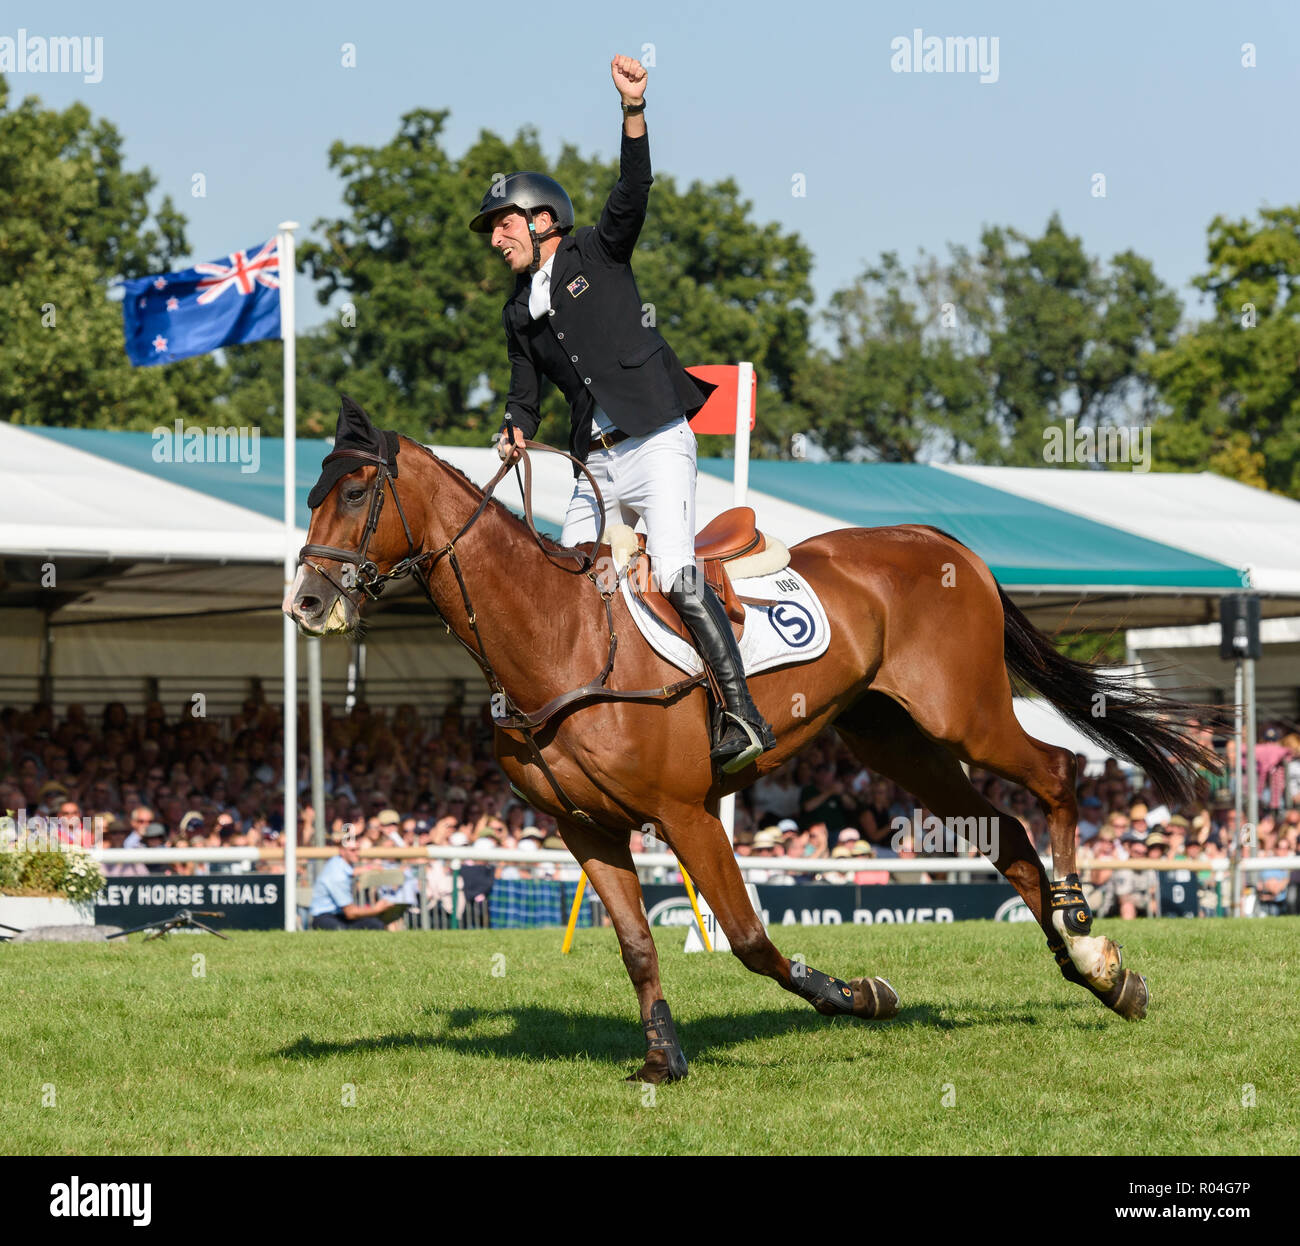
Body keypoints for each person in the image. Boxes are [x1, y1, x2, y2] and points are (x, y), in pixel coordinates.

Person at [471, 53, 775, 775]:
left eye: (503, 223)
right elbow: (525, 392)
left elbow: (633, 187)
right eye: (491, 229)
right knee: (565, 576)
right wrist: (516, 427)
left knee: (671, 568)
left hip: (655, 441)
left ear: (544, 220)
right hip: (594, 465)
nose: (494, 237)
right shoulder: (517, 312)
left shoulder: (596, 250)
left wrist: (633, 109)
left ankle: (741, 713)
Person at [309, 831, 391, 930]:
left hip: (338, 915)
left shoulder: (338, 862)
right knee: (342, 932)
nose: (357, 853)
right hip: (324, 917)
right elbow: (350, 913)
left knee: (375, 924)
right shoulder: (337, 875)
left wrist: (369, 868)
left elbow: (351, 872)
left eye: (358, 849)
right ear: (342, 851)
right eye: (352, 850)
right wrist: (376, 909)